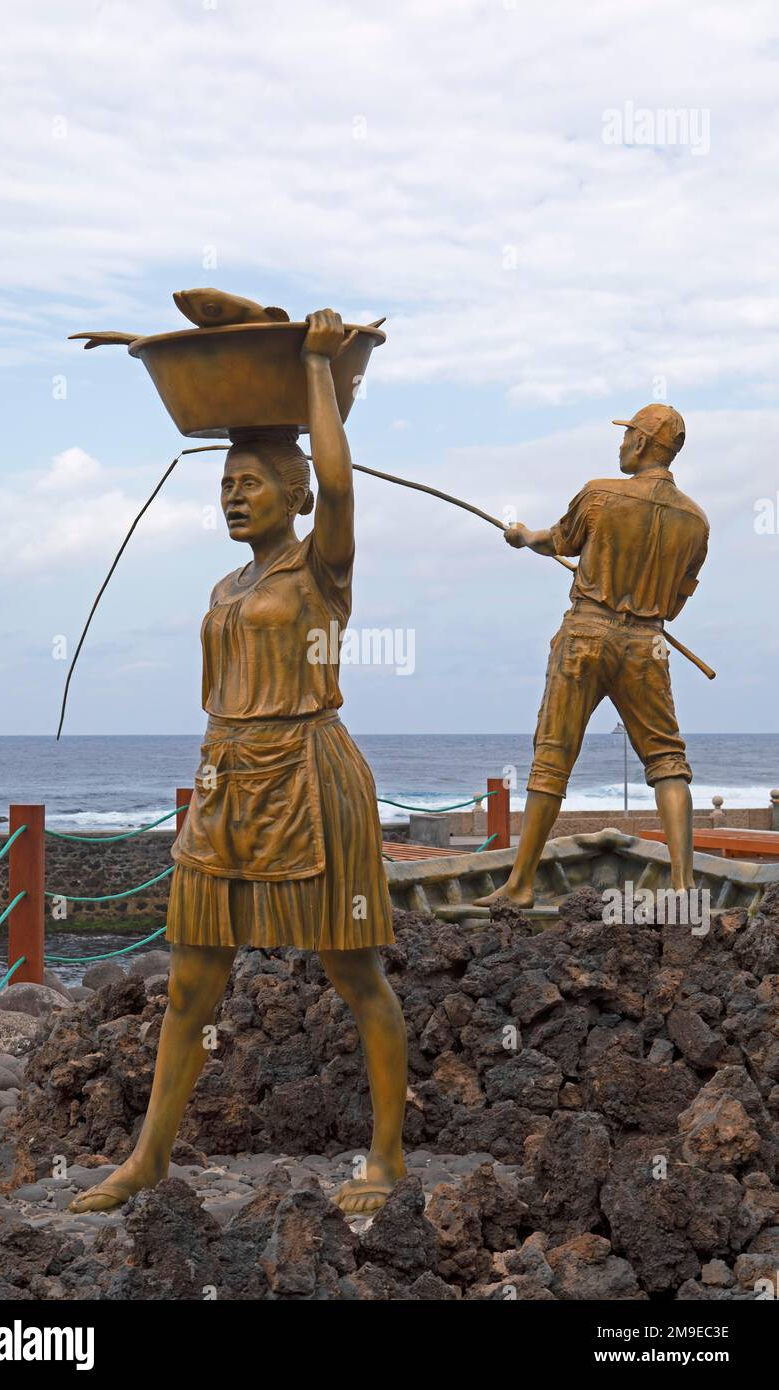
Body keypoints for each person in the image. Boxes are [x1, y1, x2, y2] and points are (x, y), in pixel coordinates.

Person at [71, 309, 407, 1216]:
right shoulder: (227, 587)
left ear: (294, 496)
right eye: (225, 482)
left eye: (252, 482)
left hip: (309, 774)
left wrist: (313, 369)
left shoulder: (320, 568)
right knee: (190, 980)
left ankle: (386, 1157)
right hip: (226, 779)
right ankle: (148, 1159)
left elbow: (338, 480)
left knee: (353, 972)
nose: (232, 495)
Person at [474, 404, 709, 909]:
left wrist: (521, 537)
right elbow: (674, 605)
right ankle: (685, 887)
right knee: (668, 761)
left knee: (552, 757)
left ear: (644, 444)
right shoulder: (696, 521)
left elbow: (555, 541)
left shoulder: (601, 493)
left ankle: (519, 885)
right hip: (648, 643)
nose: (621, 445)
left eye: (627, 437)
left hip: (586, 634)